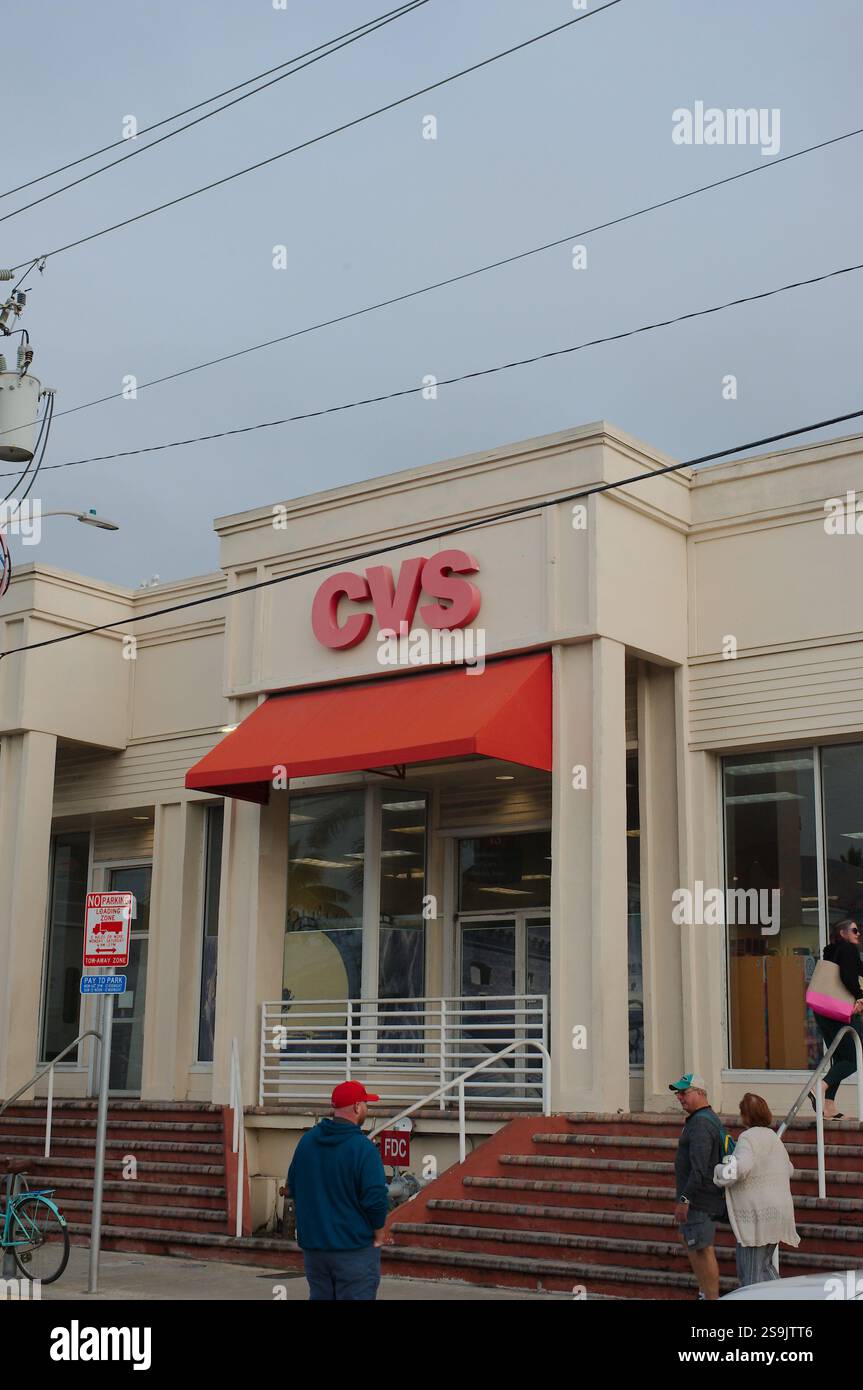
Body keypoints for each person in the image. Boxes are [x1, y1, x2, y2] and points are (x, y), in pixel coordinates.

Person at [287, 1080, 390, 1301]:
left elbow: (292, 1188)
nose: (366, 1108)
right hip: (353, 1250)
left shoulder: (307, 1142)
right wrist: (379, 1232)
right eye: (364, 1103)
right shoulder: (364, 1149)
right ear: (356, 1108)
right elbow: (375, 1198)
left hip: (315, 1251)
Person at [712, 1092, 799, 1288]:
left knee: (750, 1278)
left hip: (757, 1216)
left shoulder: (747, 1137)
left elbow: (740, 1168)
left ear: (746, 1115)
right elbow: (789, 1168)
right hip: (779, 1212)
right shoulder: (773, 1137)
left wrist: (719, 1170)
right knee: (765, 1268)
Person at [669, 1072, 728, 1300]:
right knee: (692, 1243)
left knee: (702, 1248)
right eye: (678, 1093)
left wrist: (685, 1200)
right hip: (699, 1197)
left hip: (699, 1199)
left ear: (700, 1093)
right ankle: (705, 1292)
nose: (680, 1097)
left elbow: (699, 1168)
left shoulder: (702, 1123)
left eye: (684, 1092)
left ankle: (711, 1296)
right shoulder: (701, 1118)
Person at [810, 918, 863, 1119]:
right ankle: (819, 1088)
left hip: (823, 1010)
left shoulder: (833, 952)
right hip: (839, 1011)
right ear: (843, 933)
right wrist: (859, 995)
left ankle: (829, 1106)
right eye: (855, 930)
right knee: (855, 1057)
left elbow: (856, 970)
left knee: (840, 1057)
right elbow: (848, 976)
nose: (858, 933)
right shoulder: (848, 950)